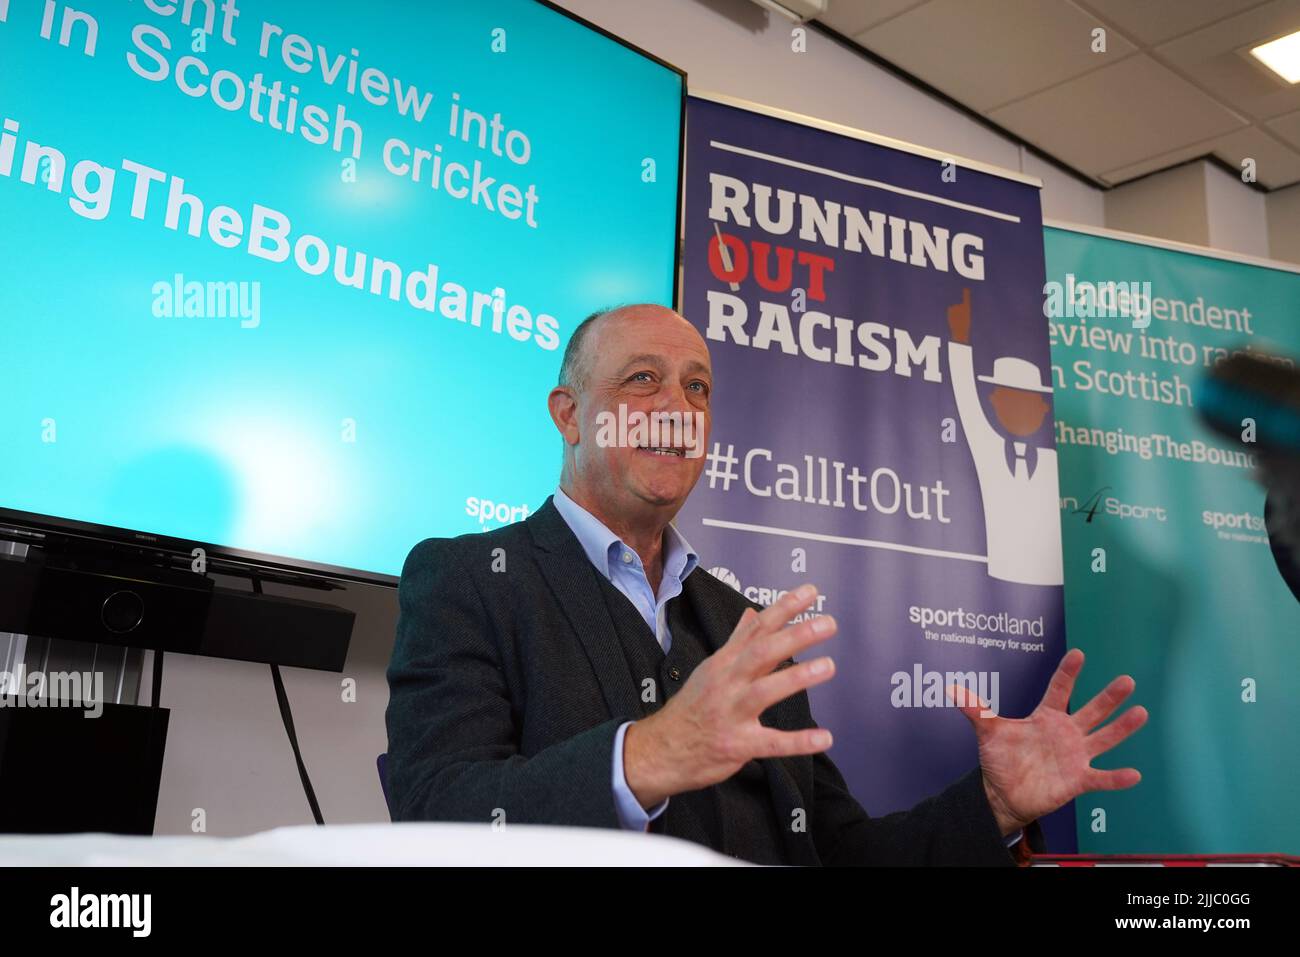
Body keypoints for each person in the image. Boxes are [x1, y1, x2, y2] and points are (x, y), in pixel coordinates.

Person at [384, 303, 1147, 865]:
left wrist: (992, 805)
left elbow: (841, 855)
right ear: (570, 415)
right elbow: (437, 816)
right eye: (642, 380)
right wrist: (643, 757)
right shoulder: (470, 580)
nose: (677, 409)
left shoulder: (746, 625)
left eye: (698, 389)